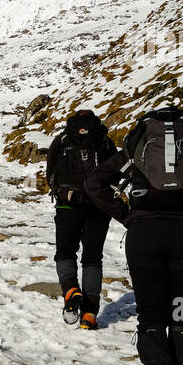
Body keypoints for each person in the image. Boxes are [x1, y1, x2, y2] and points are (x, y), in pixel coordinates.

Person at [86, 105, 183, 365]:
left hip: (145, 236)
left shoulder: (136, 144)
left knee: (151, 314)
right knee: (182, 313)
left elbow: (94, 183)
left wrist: (129, 217)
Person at [45, 109, 117, 329]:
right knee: (92, 258)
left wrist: (58, 192)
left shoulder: (64, 139)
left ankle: (70, 288)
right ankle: (89, 314)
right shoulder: (104, 139)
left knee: (65, 252)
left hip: (68, 204)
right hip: (98, 206)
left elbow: (51, 171)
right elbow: (115, 169)